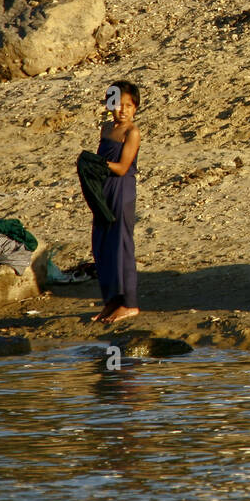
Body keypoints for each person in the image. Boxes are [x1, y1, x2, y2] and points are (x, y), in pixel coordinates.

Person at [91, 80, 142, 323]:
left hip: (121, 191)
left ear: (135, 108)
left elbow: (122, 168)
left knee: (122, 247)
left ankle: (129, 304)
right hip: (103, 192)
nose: (122, 110)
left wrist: (97, 164)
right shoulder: (106, 129)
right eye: (117, 105)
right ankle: (112, 302)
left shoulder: (133, 133)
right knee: (102, 246)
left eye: (128, 106)